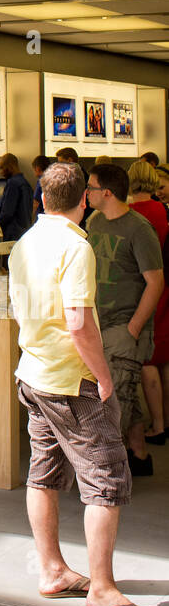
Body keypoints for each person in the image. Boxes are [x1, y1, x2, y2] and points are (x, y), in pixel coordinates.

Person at [9, 162, 159, 606]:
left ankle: (51, 568)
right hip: (72, 381)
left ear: (42, 197)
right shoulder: (77, 244)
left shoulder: (25, 242)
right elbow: (78, 320)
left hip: (33, 372)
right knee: (107, 480)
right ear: (81, 199)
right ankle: (102, 588)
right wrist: (103, 376)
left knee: (44, 472)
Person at [86, 163, 164, 476]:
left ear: (107, 192)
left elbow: (155, 282)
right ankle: (139, 455)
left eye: (90, 187)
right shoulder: (95, 221)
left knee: (116, 399)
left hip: (124, 326)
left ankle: (110, 468)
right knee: (123, 394)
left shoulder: (138, 229)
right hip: (100, 323)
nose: (87, 193)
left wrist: (132, 329)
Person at [126, 161, 169, 445]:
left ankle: (157, 424)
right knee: (164, 359)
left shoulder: (131, 215)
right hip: (164, 286)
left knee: (147, 361)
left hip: (143, 290)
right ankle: (166, 418)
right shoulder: (162, 210)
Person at [0, 153, 32, 242]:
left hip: (12, 234)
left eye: (2, 168)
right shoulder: (25, 183)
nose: (0, 172)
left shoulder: (13, 183)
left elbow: (7, 213)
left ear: (10, 166)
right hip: (24, 231)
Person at [31, 155, 53, 222]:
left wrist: (30, 219)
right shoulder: (54, 179)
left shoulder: (42, 180)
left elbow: (35, 203)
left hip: (43, 216)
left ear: (37, 168)